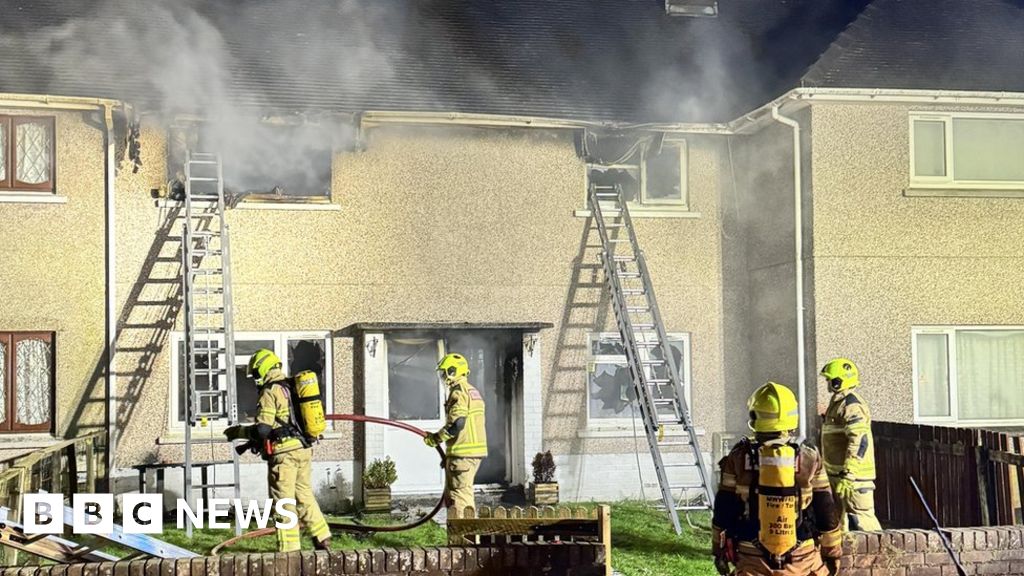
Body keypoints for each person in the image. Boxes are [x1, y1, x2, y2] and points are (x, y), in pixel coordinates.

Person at [712, 382, 842, 576]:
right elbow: (826, 508)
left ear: (755, 416)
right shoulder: (809, 456)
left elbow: (724, 507)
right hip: (801, 557)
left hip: (752, 555)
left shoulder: (739, 456)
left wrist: (718, 550)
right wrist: (833, 554)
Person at [224, 349, 331, 552]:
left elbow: (263, 429)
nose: (255, 379)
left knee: (283, 502)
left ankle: (289, 550)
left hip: (284, 456)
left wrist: (238, 432)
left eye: (255, 374)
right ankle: (322, 537)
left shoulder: (270, 391)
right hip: (303, 449)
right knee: (304, 494)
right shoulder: (291, 386)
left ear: (263, 369)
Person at [820, 358, 882, 532]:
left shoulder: (851, 405)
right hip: (838, 475)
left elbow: (859, 439)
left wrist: (849, 474)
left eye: (830, 380)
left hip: (854, 479)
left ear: (839, 381)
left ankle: (883, 549)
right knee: (839, 525)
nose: (828, 384)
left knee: (863, 520)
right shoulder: (838, 403)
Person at [423, 353, 488, 515]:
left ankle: (464, 530)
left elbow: (458, 424)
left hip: (462, 454)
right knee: (456, 494)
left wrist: (435, 439)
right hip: (471, 453)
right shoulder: (473, 391)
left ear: (453, 371)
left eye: (444, 373)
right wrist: (448, 457)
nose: (443, 377)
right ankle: (461, 528)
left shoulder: (458, 392)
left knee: (459, 497)